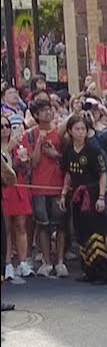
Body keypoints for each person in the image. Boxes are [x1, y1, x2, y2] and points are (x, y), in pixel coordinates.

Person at [59, 114, 107, 284]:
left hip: (93, 193)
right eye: (77, 129)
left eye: (83, 129)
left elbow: (103, 174)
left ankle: (102, 272)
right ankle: (88, 270)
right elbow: (68, 173)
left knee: (96, 233)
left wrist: (101, 197)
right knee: (81, 233)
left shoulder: (93, 150)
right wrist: (64, 193)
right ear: (70, 131)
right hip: (77, 196)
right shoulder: (68, 150)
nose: (81, 132)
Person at [22, 100, 67, 278]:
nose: (48, 113)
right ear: (36, 115)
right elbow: (32, 162)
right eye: (43, 111)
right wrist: (40, 142)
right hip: (38, 187)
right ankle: (47, 262)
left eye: (50, 109)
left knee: (61, 225)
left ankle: (61, 261)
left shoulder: (61, 132)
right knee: (43, 225)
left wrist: (55, 154)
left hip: (58, 185)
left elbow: (66, 158)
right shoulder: (30, 135)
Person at [2, 116, 33, 282]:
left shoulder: (20, 144)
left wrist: (24, 160)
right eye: (2, 126)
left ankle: (22, 262)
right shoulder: (7, 147)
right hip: (4, 190)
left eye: (7, 126)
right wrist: (8, 149)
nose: (5, 129)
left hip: (18, 187)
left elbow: (27, 169)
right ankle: (7, 264)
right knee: (5, 229)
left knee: (21, 226)